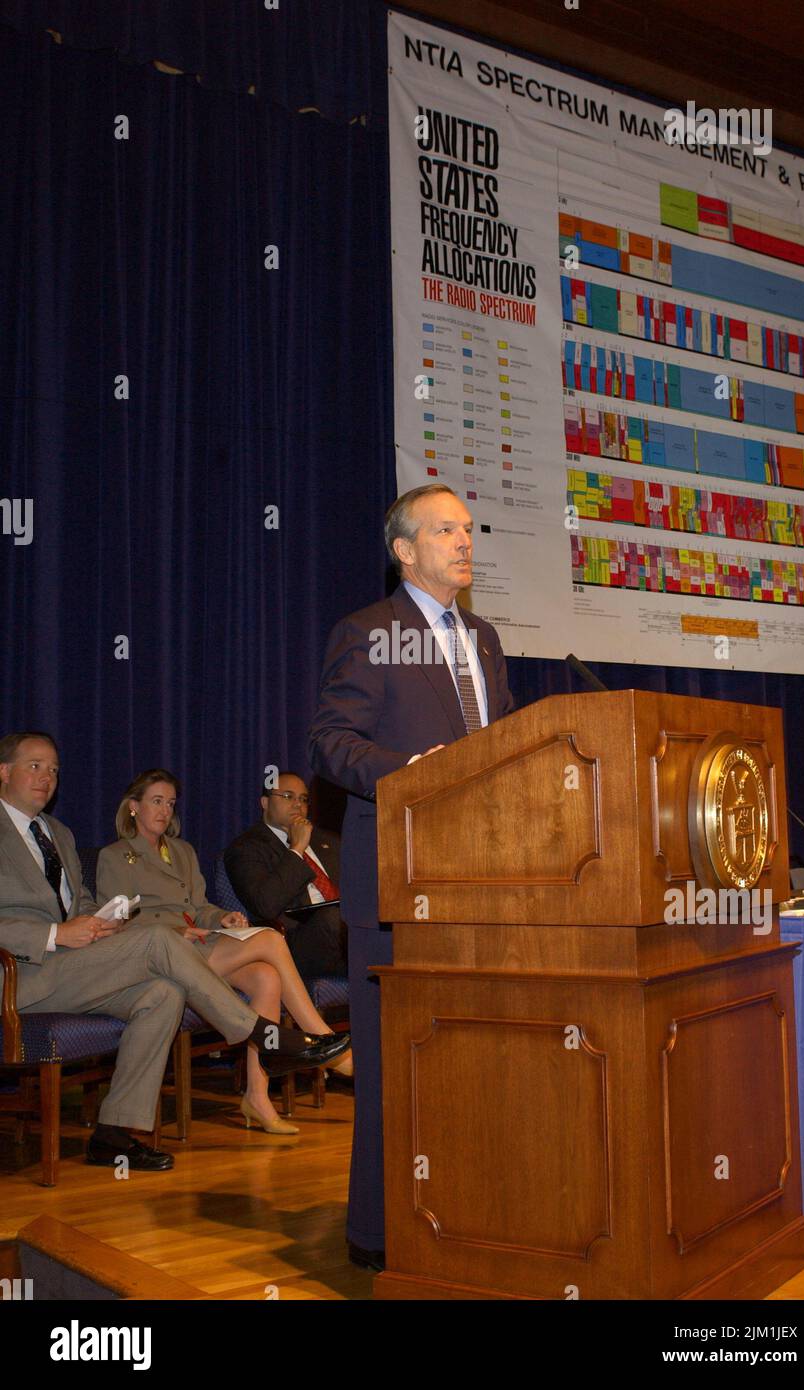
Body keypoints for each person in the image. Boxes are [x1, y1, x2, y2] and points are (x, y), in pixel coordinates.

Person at [308, 484, 514, 1268]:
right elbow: (331, 740)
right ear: (403, 550)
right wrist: (410, 772)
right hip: (398, 882)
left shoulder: (484, 638)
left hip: (484, 885)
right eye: (445, 530)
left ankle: (465, 1214)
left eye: (468, 528)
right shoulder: (367, 632)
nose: (464, 541)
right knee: (398, 1066)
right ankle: (379, 1235)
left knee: (470, 1062)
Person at [0, 732, 342, 1172]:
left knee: (163, 994)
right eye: (34, 766)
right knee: (161, 939)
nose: (46, 777)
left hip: (75, 967)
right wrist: (54, 933)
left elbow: (80, 903)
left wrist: (99, 922)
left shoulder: (58, 833)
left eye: (54, 770)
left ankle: (113, 1136)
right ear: (4, 771)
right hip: (22, 976)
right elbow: (48, 925)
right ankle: (263, 1037)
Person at [97, 769, 351, 1136]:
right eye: (156, 801)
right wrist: (174, 931)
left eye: (170, 803)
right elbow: (116, 923)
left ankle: (258, 1096)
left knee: (266, 977)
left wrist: (223, 916)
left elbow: (199, 906)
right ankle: (323, 1041)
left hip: (201, 945)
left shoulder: (181, 851)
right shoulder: (115, 856)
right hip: (160, 954)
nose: (165, 811)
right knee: (269, 940)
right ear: (133, 807)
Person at [224, 771, 347, 980]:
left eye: (303, 799)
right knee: (333, 917)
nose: (298, 804)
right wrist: (297, 848)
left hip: (345, 936)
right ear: (264, 802)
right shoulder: (246, 848)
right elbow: (265, 905)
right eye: (288, 796)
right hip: (294, 942)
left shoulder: (329, 842)